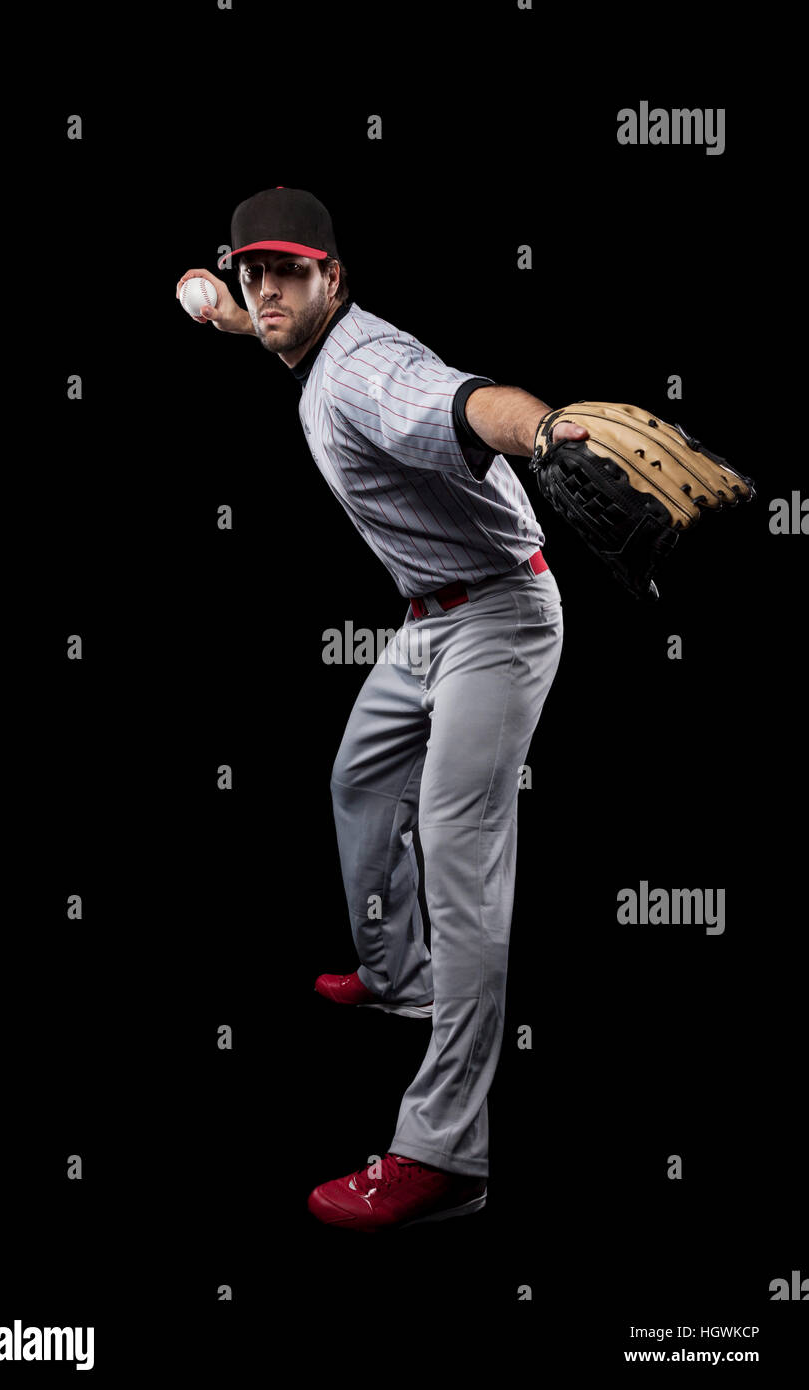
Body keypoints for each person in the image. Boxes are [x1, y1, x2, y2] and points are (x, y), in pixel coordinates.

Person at [177, 186, 588, 1232]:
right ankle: (395, 972)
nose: (265, 287)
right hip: (426, 622)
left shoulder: (363, 368)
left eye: (289, 272)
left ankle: (443, 1154)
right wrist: (210, 301)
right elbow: (243, 313)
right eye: (250, 270)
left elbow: (456, 402)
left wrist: (544, 429)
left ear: (336, 278)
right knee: (358, 779)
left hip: (497, 616)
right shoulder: (290, 333)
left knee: (458, 846)